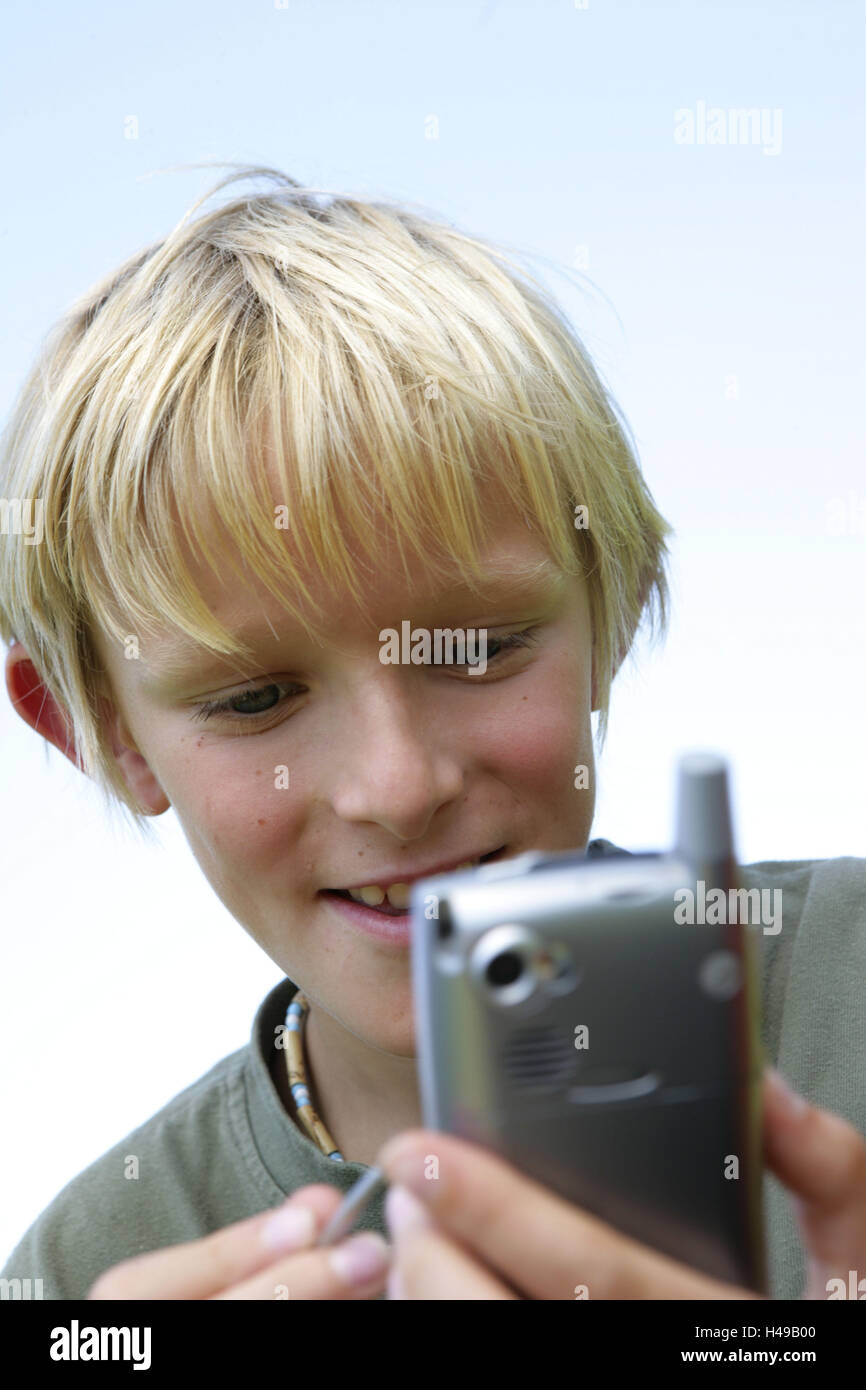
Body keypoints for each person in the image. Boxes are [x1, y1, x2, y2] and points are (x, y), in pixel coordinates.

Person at [1, 167, 864, 1302]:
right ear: (101, 734)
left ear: (608, 609)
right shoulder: (83, 1277)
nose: (397, 786)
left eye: (475, 650)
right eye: (253, 699)